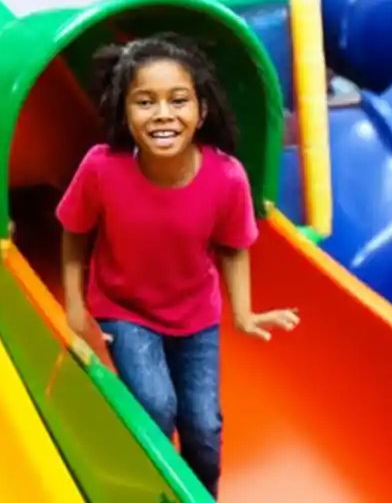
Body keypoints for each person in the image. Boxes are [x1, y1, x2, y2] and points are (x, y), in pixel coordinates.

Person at [56, 32, 299, 497]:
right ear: (124, 113)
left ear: (201, 112)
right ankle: (152, 489)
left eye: (178, 100)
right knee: (156, 406)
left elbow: (233, 245)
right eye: (145, 102)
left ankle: (200, 494)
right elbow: (74, 231)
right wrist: (74, 308)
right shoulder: (102, 168)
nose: (163, 113)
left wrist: (243, 312)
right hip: (124, 309)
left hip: (195, 316)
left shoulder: (226, 177)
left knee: (204, 430)